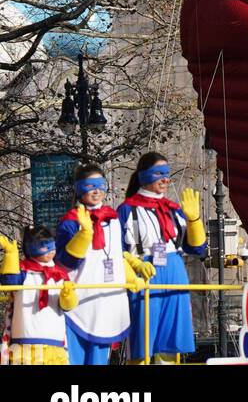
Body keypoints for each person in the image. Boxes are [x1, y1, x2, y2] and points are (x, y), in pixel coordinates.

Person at [55, 163, 154, 365]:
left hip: (106, 300)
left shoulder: (113, 218)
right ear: (79, 188)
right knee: (74, 358)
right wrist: (83, 235)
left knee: (99, 359)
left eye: (100, 185)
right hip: (78, 301)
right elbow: (64, 263)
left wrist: (131, 275)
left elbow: (117, 255)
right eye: (90, 186)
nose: (96, 191)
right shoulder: (69, 221)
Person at [117, 151, 206, 363]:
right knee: (143, 339)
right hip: (144, 270)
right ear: (144, 175)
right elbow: (118, 248)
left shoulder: (173, 210)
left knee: (172, 341)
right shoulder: (127, 209)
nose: (165, 179)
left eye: (167, 173)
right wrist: (133, 268)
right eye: (159, 173)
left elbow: (198, 249)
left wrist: (194, 220)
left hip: (175, 271)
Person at [0, 225, 78, 365]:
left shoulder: (59, 274)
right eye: (44, 247)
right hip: (26, 340)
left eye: (51, 246)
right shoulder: (24, 272)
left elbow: (67, 307)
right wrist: (11, 256)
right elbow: (9, 282)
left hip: (54, 340)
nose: (50, 252)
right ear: (32, 249)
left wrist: (68, 295)